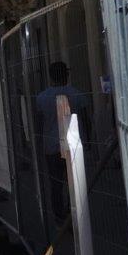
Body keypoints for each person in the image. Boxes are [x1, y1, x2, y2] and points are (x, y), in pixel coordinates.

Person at [34, 61, 87, 221]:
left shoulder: (42, 98)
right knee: (75, 183)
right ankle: (75, 214)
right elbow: (86, 119)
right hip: (74, 145)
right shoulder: (77, 94)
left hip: (51, 146)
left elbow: (38, 124)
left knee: (56, 183)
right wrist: (88, 141)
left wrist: (38, 145)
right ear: (66, 75)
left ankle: (59, 216)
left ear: (50, 76)